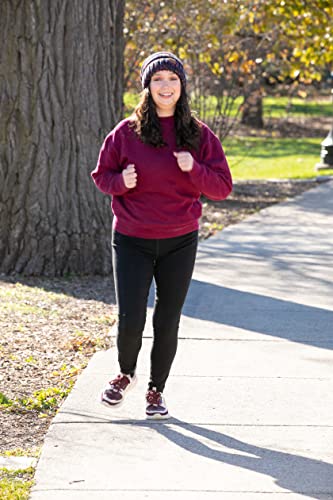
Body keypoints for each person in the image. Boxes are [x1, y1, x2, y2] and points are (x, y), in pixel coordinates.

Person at [91, 51, 232, 419]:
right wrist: (121, 182)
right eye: (158, 79)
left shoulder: (199, 135)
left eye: (172, 78)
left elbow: (222, 187)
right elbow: (101, 175)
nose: (165, 86)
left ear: (182, 85)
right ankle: (125, 373)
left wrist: (196, 169)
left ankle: (156, 390)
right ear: (147, 87)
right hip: (132, 238)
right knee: (131, 317)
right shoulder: (126, 132)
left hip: (180, 240)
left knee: (167, 319)